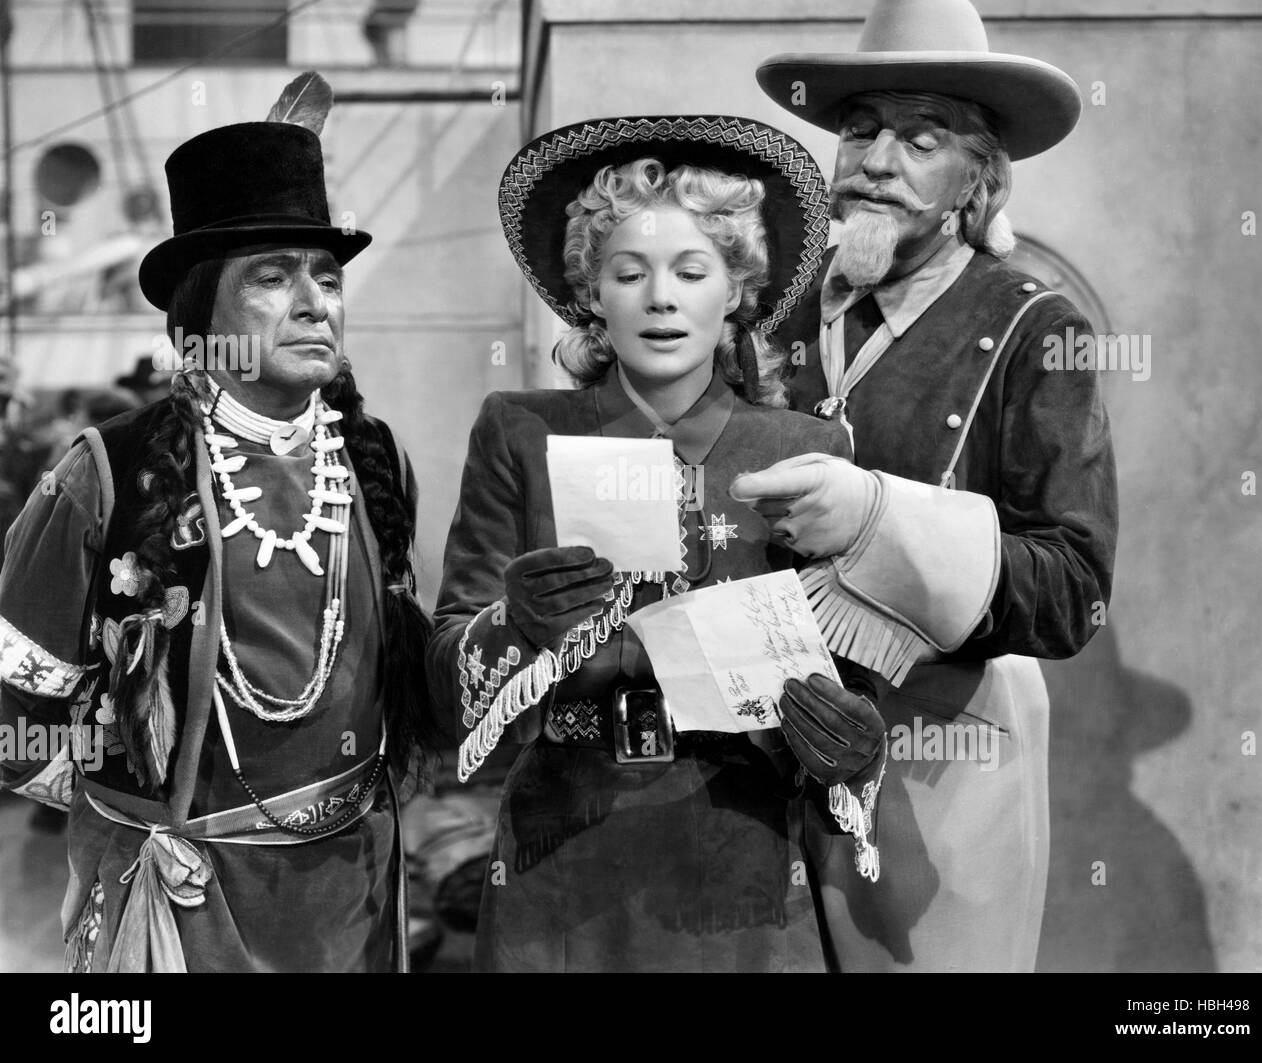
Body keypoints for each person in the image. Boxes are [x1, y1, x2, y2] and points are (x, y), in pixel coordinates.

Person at [428, 115, 888, 972]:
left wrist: (855, 746)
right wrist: (514, 625)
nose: (661, 298)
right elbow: (448, 692)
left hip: (740, 871)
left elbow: (845, 676)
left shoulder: (806, 450)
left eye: (691, 271)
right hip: (558, 870)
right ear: (591, 293)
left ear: (737, 292)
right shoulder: (520, 431)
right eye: (629, 273)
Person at [0, 101, 434, 971]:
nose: (316, 304)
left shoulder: (373, 460)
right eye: (273, 277)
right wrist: (124, 808)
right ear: (200, 314)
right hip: (181, 904)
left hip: (349, 901)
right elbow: (13, 715)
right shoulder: (106, 471)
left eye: (328, 276)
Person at [734, 0, 1119, 971]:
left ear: (975, 181)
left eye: (922, 137)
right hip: (762, 751)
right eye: (861, 130)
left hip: (943, 759)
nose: (876, 159)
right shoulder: (769, 310)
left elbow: (1074, 587)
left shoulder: (1033, 324)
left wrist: (880, 519)